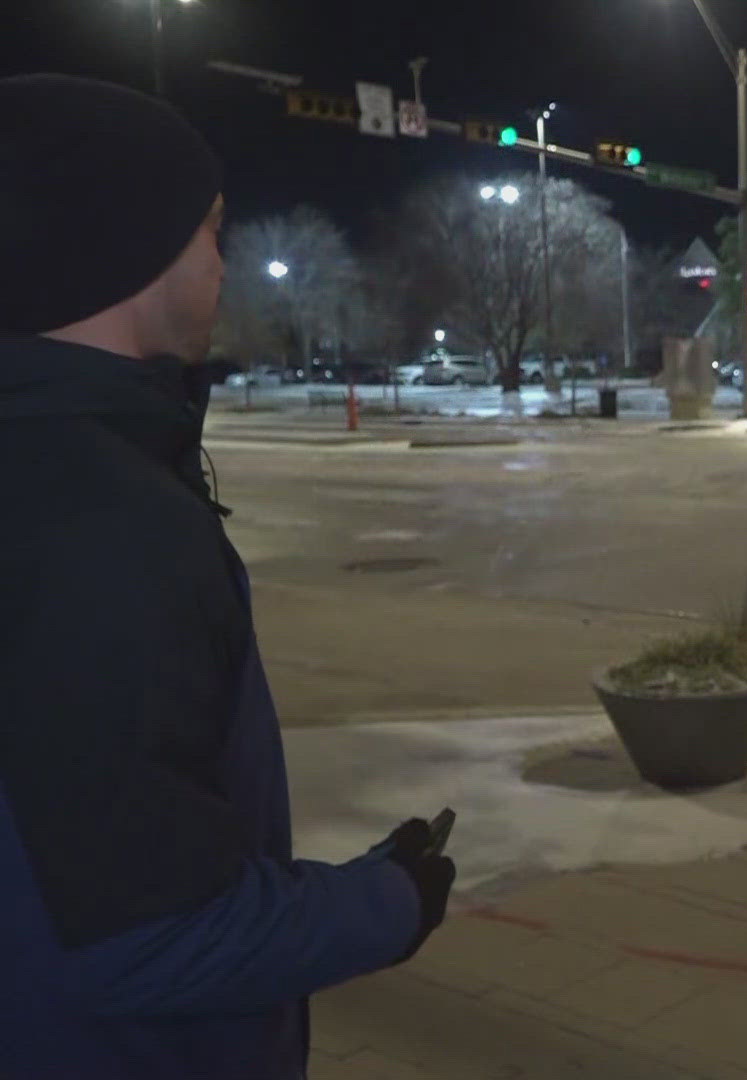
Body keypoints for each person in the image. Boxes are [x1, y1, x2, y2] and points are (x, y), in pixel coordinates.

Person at [0, 74, 456, 1079]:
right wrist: (387, 905)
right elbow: (139, 935)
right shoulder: (101, 526)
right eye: (210, 232)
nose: (224, 263)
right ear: (126, 248)